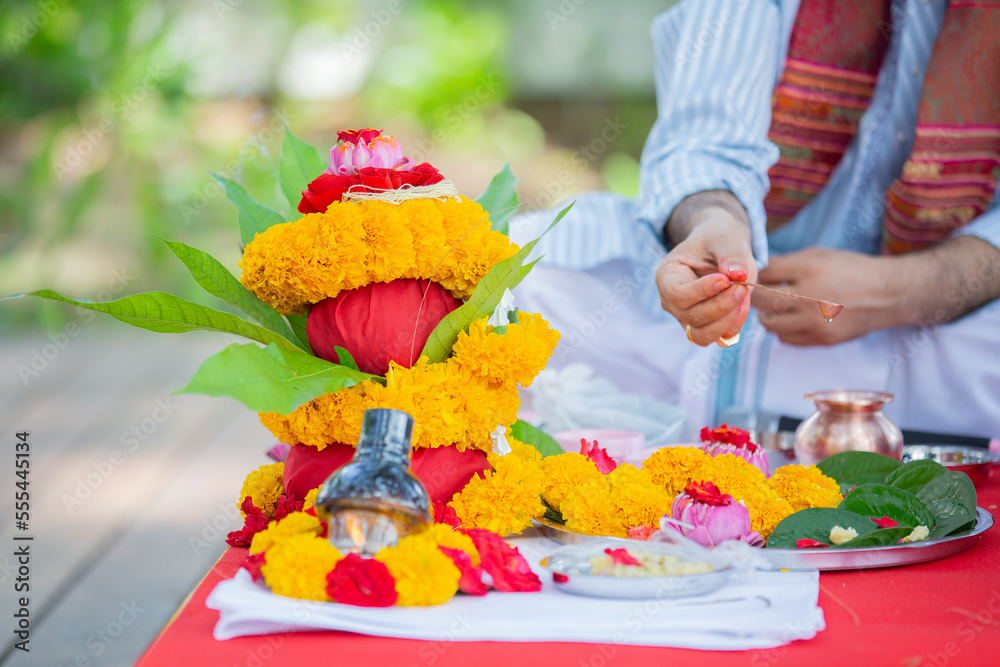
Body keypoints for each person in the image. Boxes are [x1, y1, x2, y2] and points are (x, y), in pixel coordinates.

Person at [511, 0, 1000, 440]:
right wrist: (714, 225)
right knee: (516, 277)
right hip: (737, 294)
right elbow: (704, 146)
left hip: (940, 323)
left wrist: (896, 292)